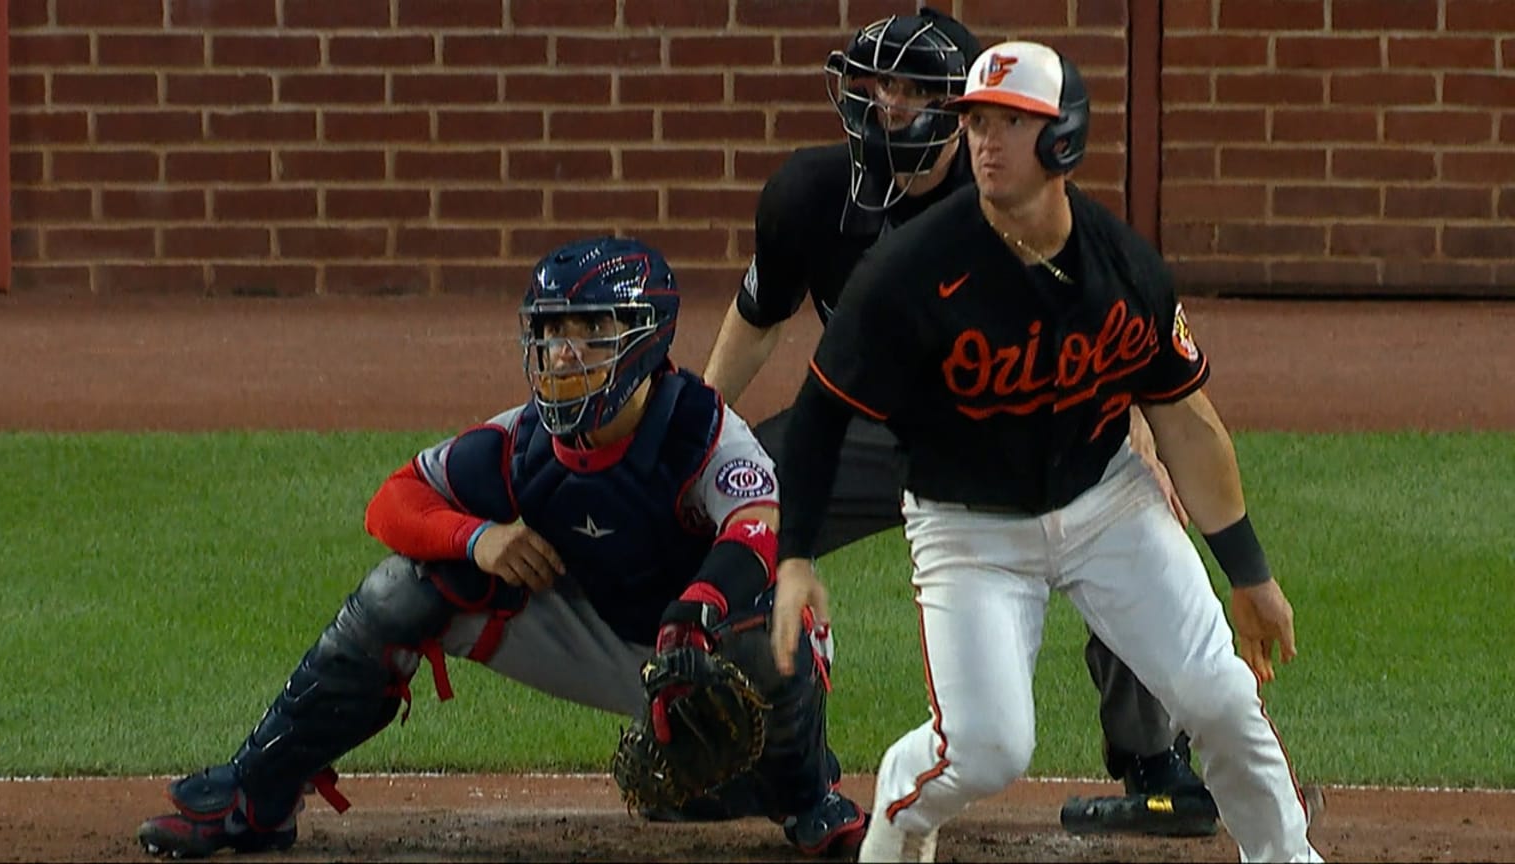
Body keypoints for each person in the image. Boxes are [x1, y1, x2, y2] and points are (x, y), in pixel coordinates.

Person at [766, 39, 1322, 864]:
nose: (985, 142)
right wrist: (798, 555)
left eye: (1010, 124)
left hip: (1107, 503)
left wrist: (1249, 572)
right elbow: (819, 413)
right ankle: (901, 793)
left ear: (1062, 139)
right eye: (977, 122)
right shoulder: (909, 271)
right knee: (985, 750)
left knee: (1223, 698)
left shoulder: (1123, 269)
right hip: (967, 529)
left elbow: (1184, 420)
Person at [134, 236, 868, 860]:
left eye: (588, 331)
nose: (562, 355)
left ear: (643, 337)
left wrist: (696, 611)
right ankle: (256, 796)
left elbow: (761, 526)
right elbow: (393, 499)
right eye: (551, 333)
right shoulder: (526, 443)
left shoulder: (700, 428)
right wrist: (478, 539)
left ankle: (807, 796)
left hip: (712, 648)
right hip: (610, 639)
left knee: (767, 629)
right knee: (402, 588)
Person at [702, 6, 1215, 834]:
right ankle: (772, 762)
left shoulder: (1017, 204)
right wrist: (693, 444)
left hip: (1005, 424)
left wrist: (1138, 445)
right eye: (880, 88)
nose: (891, 110)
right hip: (870, 423)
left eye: (918, 94)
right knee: (737, 517)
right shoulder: (808, 194)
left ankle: (1158, 767)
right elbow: (756, 322)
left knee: (1117, 517)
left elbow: (1114, 345)